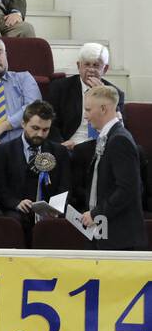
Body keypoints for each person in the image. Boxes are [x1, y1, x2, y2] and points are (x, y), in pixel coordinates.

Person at [69, 84, 147, 251]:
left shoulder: (119, 140)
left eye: (88, 110)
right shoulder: (108, 137)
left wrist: (96, 213)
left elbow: (128, 189)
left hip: (119, 236)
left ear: (103, 109)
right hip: (104, 232)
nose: (86, 116)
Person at [0, 99, 71, 241]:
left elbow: (65, 186)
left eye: (45, 130)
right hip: (16, 210)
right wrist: (16, 203)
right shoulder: (4, 150)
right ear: (23, 124)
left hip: (50, 212)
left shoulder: (59, 152)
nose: (40, 134)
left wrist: (55, 208)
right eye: (35, 128)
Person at [47, 43, 125, 148]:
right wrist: (60, 145)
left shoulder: (115, 94)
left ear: (105, 69)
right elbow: (51, 123)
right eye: (87, 65)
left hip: (99, 146)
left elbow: (117, 127)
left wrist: (102, 97)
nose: (91, 70)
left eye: (96, 65)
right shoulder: (60, 88)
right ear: (79, 66)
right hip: (68, 144)